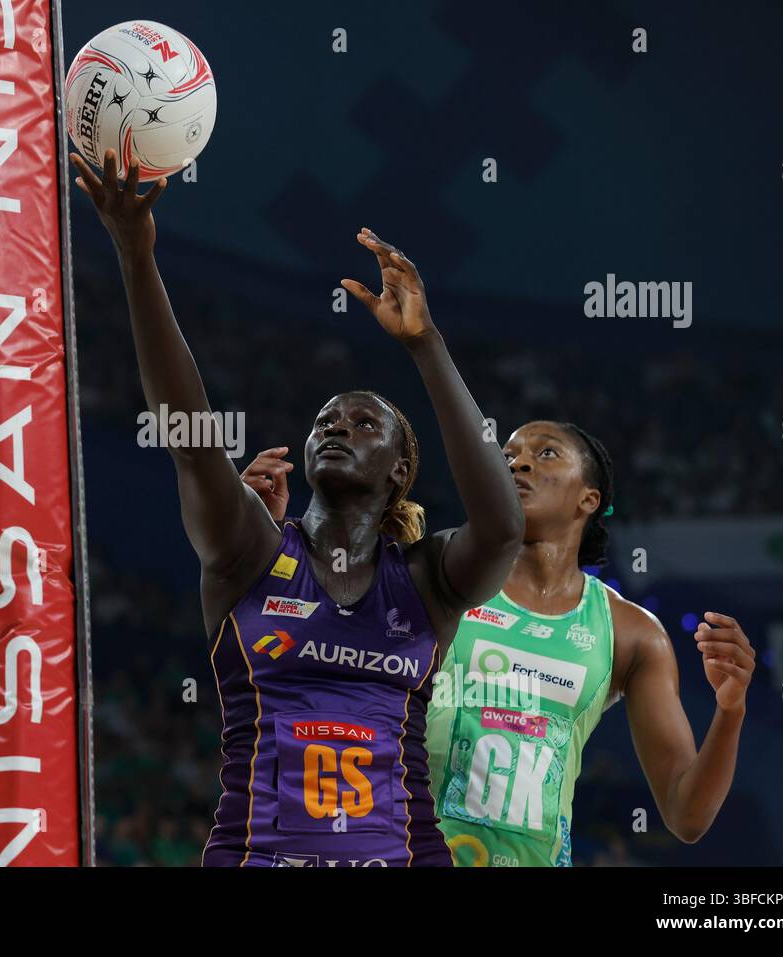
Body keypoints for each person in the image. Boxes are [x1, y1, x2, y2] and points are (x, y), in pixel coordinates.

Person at [72, 148, 523, 866]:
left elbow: (503, 529)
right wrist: (136, 256)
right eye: (325, 421)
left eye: (362, 422)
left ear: (399, 470)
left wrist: (426, 345)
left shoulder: (427, 578)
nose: (337, 426)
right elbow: (190, 437)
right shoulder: (252, 552)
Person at [241, 420, 755, 866]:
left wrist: (730, 711)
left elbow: (687, 815)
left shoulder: (632, 633)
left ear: (589, 498)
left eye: (544, 453)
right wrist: (270, 543)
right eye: (507, 455)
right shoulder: (433, 575)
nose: (518, 464)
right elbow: (310, 652)